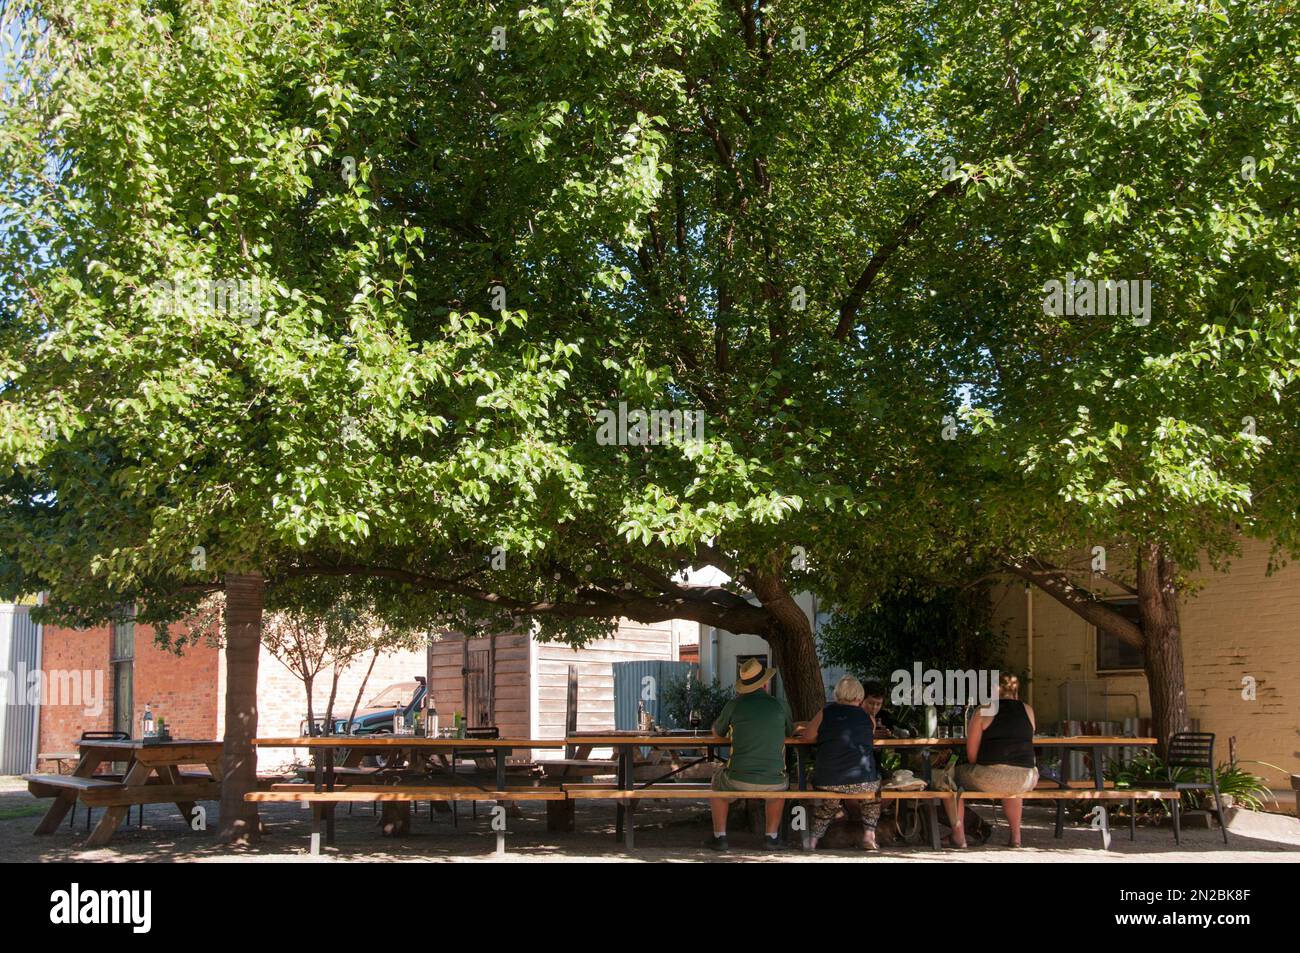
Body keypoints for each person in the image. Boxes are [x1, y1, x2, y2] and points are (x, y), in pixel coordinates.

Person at [706, 659, 794, 851]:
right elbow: (790, 732)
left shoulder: (733, 705)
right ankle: (771, 837)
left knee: (716, 784)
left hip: (737, 777)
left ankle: (719, 837)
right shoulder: (781, 705)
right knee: (779, 790)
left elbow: (717, 733)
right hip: (773, 779)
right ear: (765, 683)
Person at [941, 673, 1038, 848]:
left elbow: (972, 756)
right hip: (1026, 778)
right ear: (1016, 691)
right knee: (1011, 776)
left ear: (994, 690)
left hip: (991, 776)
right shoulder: (1028, 710)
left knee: (947, 779)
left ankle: (958, 836)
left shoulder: (983, 710)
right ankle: (1016, 837)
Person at [798, 675, 882, 850]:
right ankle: (869, 835)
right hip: (863, 781)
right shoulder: (869, 719)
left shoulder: (825, 712)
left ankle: (813, 840)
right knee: (873, 798)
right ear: (860, 697)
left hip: (828, 780)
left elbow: (807, 736)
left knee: (828, 803)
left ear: (837, 694)